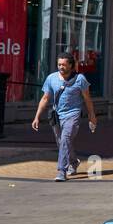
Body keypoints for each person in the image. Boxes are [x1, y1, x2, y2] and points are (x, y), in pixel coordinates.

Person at [32, 52, 97, 181]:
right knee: (61, 142)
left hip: (73, 114)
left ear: (71, 65)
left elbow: (87, 99)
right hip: (56, 114)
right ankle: (74, 162)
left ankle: (62, 171)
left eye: (64, 65)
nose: (61, 67)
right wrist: (36, 117)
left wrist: (92, 116)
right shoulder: (51, 78)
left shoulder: (80, 79)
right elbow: (45, 98)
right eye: (59, 64)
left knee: (65, 139)